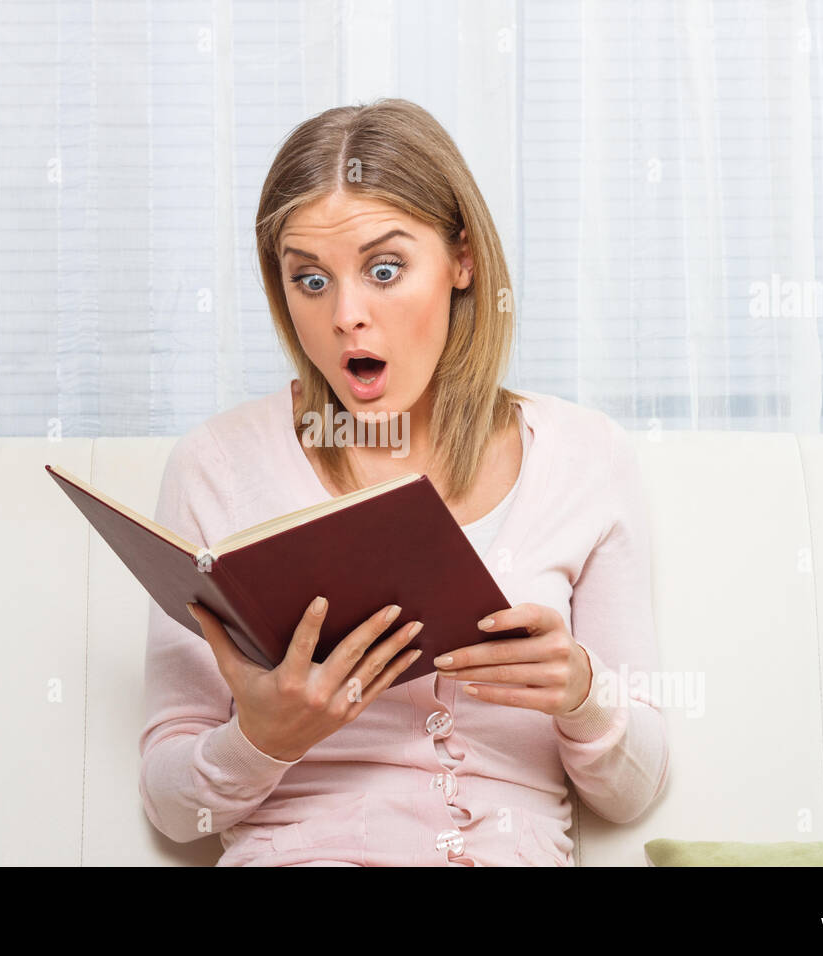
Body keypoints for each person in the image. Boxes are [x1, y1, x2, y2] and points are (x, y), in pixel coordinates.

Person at [139, 98, 669, 866]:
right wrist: (259, 739)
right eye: (310, 280)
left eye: (384, 270)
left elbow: (632, 791)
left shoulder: (587, 458)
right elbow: (169, 807)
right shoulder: (216, 466)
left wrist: (582, 694)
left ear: (462, 260)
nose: (347, 314)